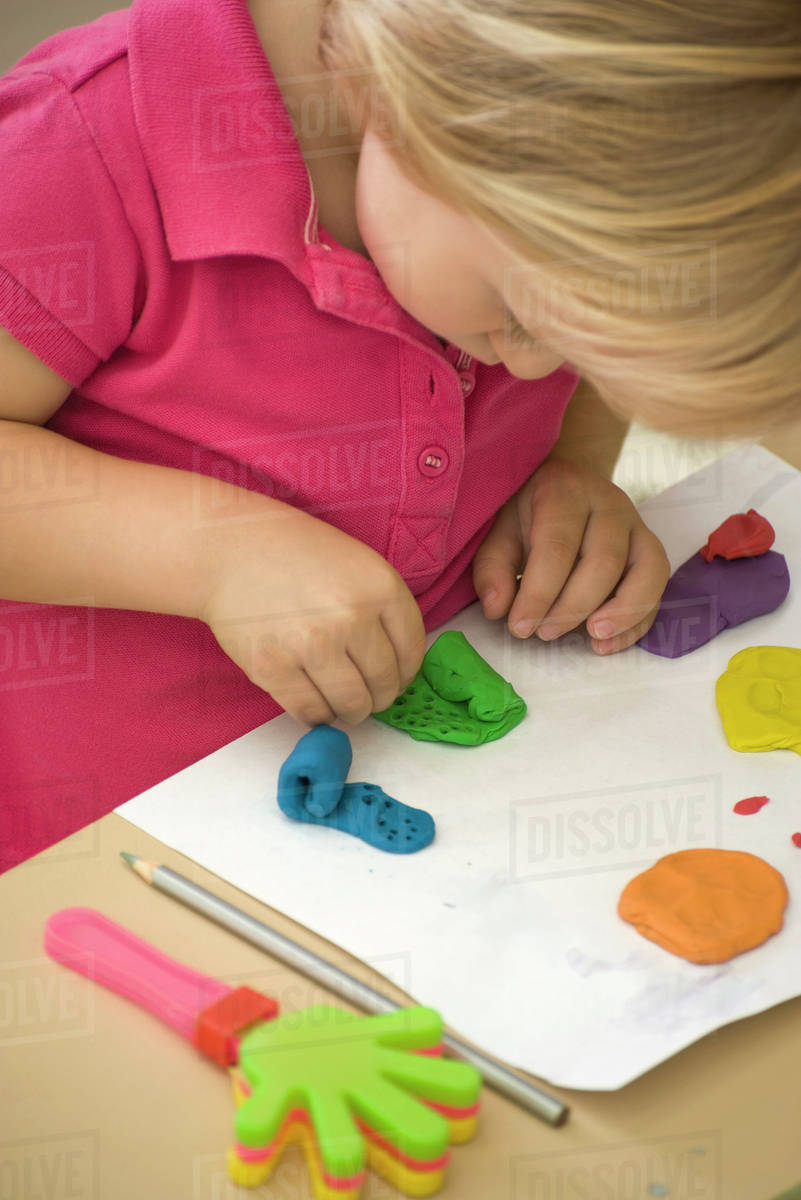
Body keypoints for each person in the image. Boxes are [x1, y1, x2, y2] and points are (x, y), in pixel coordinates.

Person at [0, 0, 795, 870]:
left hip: (407, 810)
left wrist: (569, 463)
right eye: (520, 315)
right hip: (106, 840)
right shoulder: (77, 150)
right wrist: (215, 555)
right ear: (426, 110)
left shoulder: (545, 186)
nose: (534, 373)